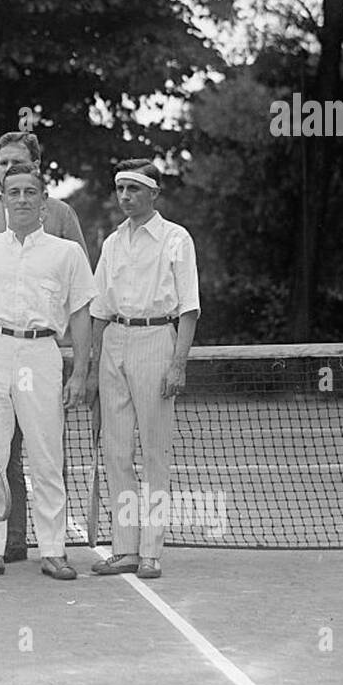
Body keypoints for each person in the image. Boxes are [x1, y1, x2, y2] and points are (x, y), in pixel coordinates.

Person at [0, 163, 94, 581]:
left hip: (42, 353)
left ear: (43, 200)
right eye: (13, 192)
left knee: (48, 455)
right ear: (2, 199)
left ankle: (53, 550)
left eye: (30, 192)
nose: (21, 199)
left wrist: (80, 373)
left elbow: (83, 315)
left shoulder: (66, 253)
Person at [88, 160, 199, 581]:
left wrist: (177, 364)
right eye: (120, 188)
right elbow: (99, 309)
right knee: (116, 451)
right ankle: (125, 550)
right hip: (114, 342)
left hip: (157, 341)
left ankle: (151, 551)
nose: (125, 196)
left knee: (155, 453)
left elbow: (188, 307)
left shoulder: (176, 238)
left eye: (134, 189)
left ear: (154, 193)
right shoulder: (113, 242)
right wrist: (93, 367)